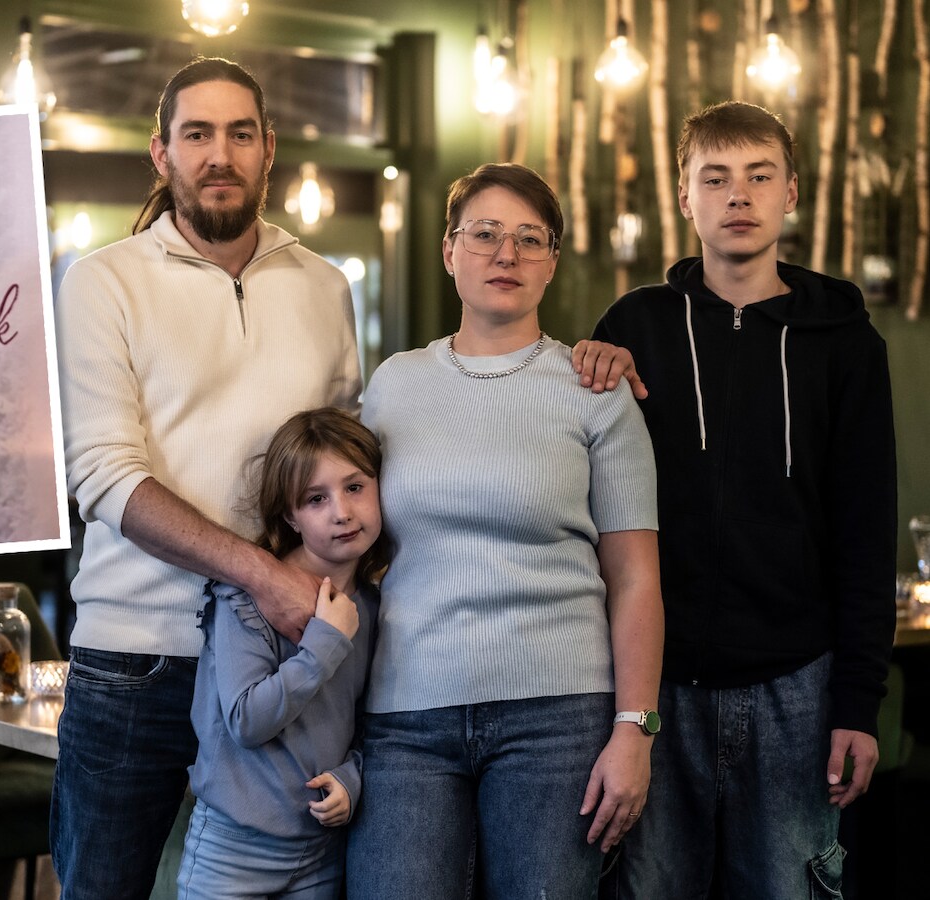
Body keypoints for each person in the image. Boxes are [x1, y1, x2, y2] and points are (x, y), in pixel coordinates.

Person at [51, 57, 362, 900]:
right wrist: (264, 575)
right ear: (162, 154)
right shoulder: (102, 281)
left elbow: (342, 468)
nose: (217, 154)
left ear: (270, 150)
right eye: (196, 134)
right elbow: (106, 478)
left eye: (238, 134)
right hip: (137, 663)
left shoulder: (326, 288)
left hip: (282, 659)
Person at [587, 100, 898, 898]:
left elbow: (867, 530)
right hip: (659, 686)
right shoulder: (636, 325)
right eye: (715, 178)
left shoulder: (847, 343)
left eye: (759, 177)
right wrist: (583, 360)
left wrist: (859, 705)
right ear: (684, 199)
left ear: (790, 192)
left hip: (799, 688)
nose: (738, 196)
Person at [345, 162, 664, 900]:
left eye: (530, 239)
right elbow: (352, 540)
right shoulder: (392, 386)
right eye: (484, 234)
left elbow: (636, 578)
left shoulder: (596, 391)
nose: (505, 254)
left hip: (558, 721)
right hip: (406, 716)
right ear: (450, 250)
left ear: (552, 262)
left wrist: (634, 730)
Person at [179, 407, 385, 900]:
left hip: (319, 855)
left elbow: (373, 723)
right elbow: (247, 719)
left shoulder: (376, 606)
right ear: (290, 515)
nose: (342, 511)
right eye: (316, 499)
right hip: (231, 854)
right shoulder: (247, 599)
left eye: (355, 487)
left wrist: (350, 778)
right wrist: (324, 644)